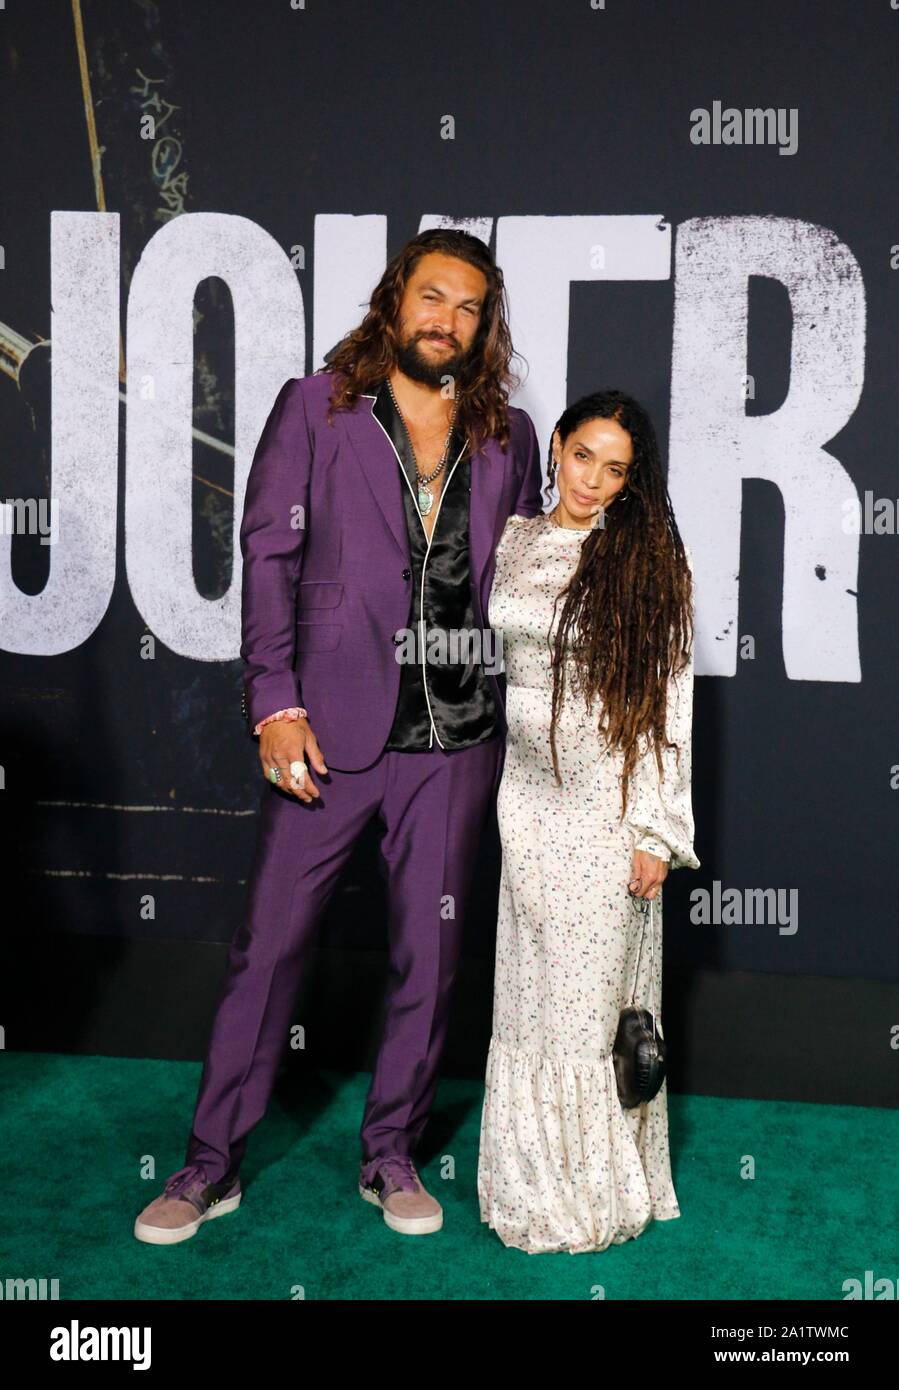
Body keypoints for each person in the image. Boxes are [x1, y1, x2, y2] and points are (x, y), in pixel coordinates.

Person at [134, 228, 543, 1244]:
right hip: (328, 726)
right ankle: (207, 1165)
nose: (445, 319)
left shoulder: (508, 432)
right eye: (432, 296)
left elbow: (532, 579)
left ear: (481, 326)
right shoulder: (316, 407)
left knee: (432, 958)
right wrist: (273, 702)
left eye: (467, 307)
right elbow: (268, 552)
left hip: (455, 736)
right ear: (393, 296)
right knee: (268, 949)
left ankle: (390, 1152)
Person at [477, 389, 700, 1254]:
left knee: (585, 1014)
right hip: (524, 802)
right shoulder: (517, 538)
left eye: (615, 471)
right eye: (582, 458)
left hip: (606, 815)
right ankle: (528, 1184)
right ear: (557, 446)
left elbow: (666, 707)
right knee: (529, 1002)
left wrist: (654, 830)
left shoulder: (647, 564)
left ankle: (590, 1194)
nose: (593, 482)